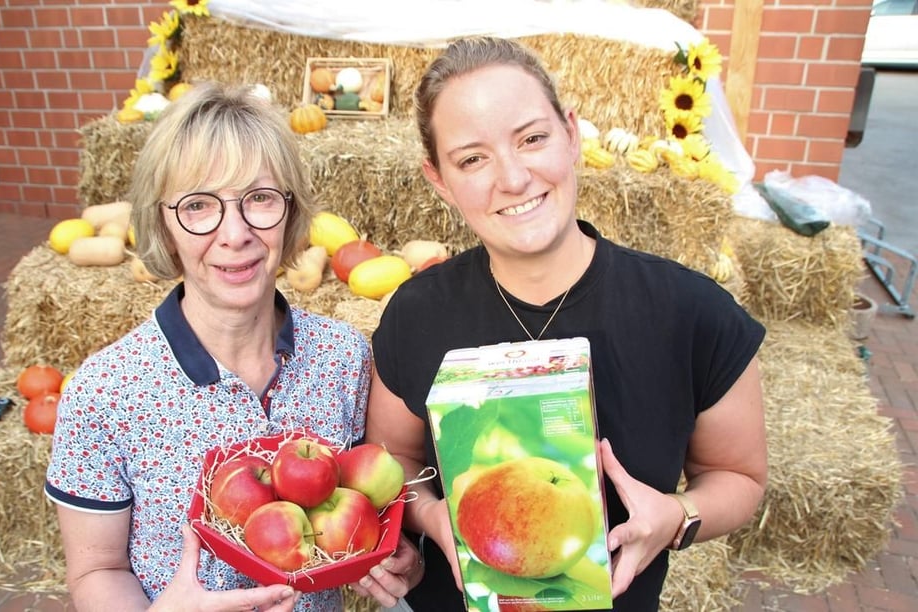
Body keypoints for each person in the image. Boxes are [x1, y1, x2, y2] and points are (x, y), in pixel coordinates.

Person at [365, 36, 768, 611]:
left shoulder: (693, 314)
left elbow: (739, 477)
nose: (512, 177)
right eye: (472, 158)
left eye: (532, 139)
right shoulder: (416, 314)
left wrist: (678, 515)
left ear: (572, 134)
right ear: (439, 181)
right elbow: (394, 463)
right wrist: (436, 519)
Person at [44, 82, 416, 611]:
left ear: (290, 212)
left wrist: (400, 559)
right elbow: (96, 569)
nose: (235, 232)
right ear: (164, 225)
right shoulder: (105, 393)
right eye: (198, 206)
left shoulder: (342, 357)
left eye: (259, 199)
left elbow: (364, 503)